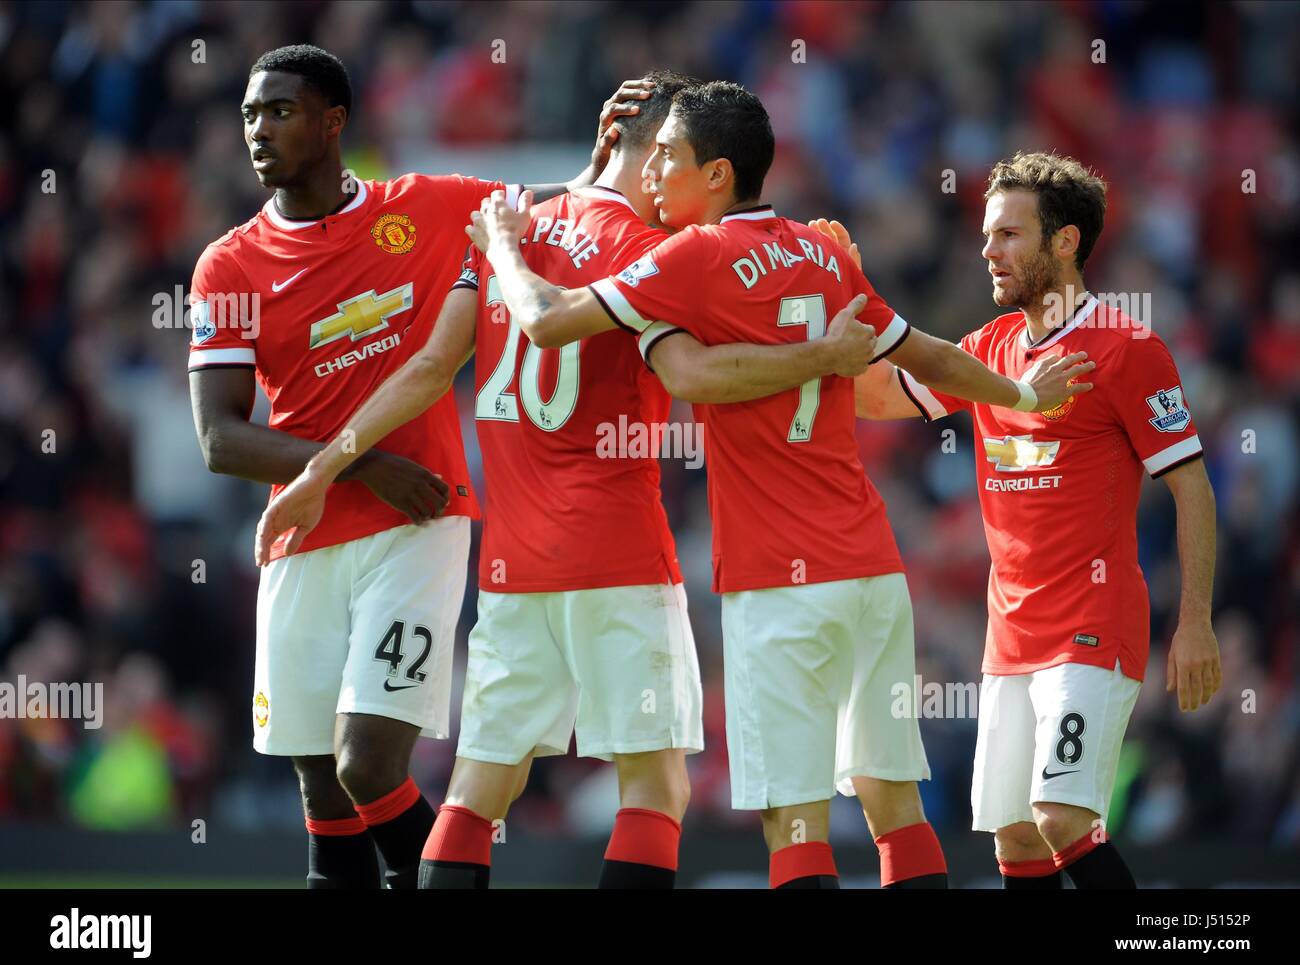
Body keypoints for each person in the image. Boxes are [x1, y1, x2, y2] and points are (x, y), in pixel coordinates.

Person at [254, 71, 882, 888]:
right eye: (669, 155)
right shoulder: (659, 253)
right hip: (618, 554)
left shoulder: (501, 237)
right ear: (646, 146)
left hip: (514, 568)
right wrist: (830, 290)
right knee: (652, 783)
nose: (671, 178)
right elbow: (699, 371)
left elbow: (427, 369)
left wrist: (320, 467)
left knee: (480, 788)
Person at [468, 82, 1089, 888]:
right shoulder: (824, 251)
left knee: (793, 817)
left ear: (718, 174)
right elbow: (925, 355)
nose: (652, 171)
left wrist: (504, 249)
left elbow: (553, 322)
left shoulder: (688, 259)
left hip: (777, 583)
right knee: (893, 804)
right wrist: (1025, 393)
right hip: (871, 571)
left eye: (670, 157)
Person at [188, 42, 650, 889]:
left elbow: (541, 220)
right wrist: (358, 469)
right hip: (308, 526)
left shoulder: (425, 209)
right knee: (319, 781)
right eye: (250, 114)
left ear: (333, 123)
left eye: (280, 111)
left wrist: (596, 163)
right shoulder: (230, 265)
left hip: (419, 521)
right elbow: (220, 439)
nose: (258, 131)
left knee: (368, 763)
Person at [851, 151, 1223, 888]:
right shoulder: (987, 350)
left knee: (1060, 817)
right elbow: (880, 397)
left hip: (1092, 622)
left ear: (1065, 243)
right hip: (1009, 633)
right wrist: (841, 290)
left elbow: (1194, 487)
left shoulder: (1128, 348)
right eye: (988, 235)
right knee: (1017, 840)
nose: (988, 250)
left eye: (1010, 236)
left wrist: (1198, 621)